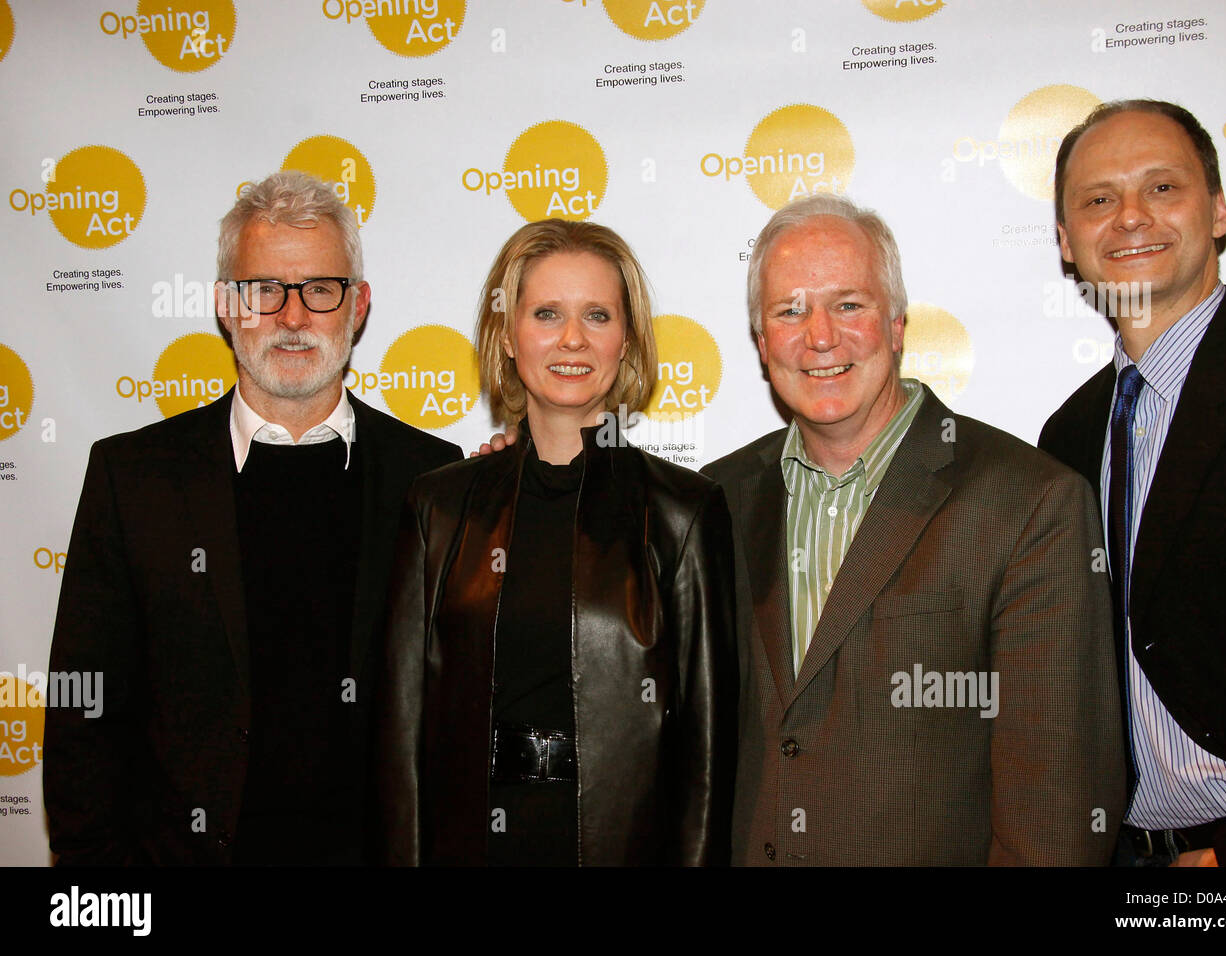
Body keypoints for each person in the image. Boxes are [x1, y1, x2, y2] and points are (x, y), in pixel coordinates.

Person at [43, 170, 462, 865]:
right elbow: (82, 710)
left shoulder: (434, 478)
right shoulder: (134, 478)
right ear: (225, 306)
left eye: (319, 290)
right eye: (263, 289)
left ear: (357, 306)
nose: (292, 317)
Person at [701, 194, 1124, 865]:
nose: (819, 336)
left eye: (848, 304)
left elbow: (1055, 810)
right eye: (790, 310)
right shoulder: (711, 503)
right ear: (760, 342)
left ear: (897, 325)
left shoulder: (1030, 504)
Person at [375, 218, 736, 866]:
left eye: (597, 315)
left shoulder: (683, 513)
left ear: (626, 341)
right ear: (508, 335)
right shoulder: (439, 509)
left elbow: (706, 762)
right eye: (547, 313)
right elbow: (400, 740)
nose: (572, 338)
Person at [1039, 99, 1226, 867]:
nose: (1128, 218)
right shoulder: (1068, 436)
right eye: (1097, 199)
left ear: (1218, 211)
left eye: (1161, 188)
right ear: (1065, 240)